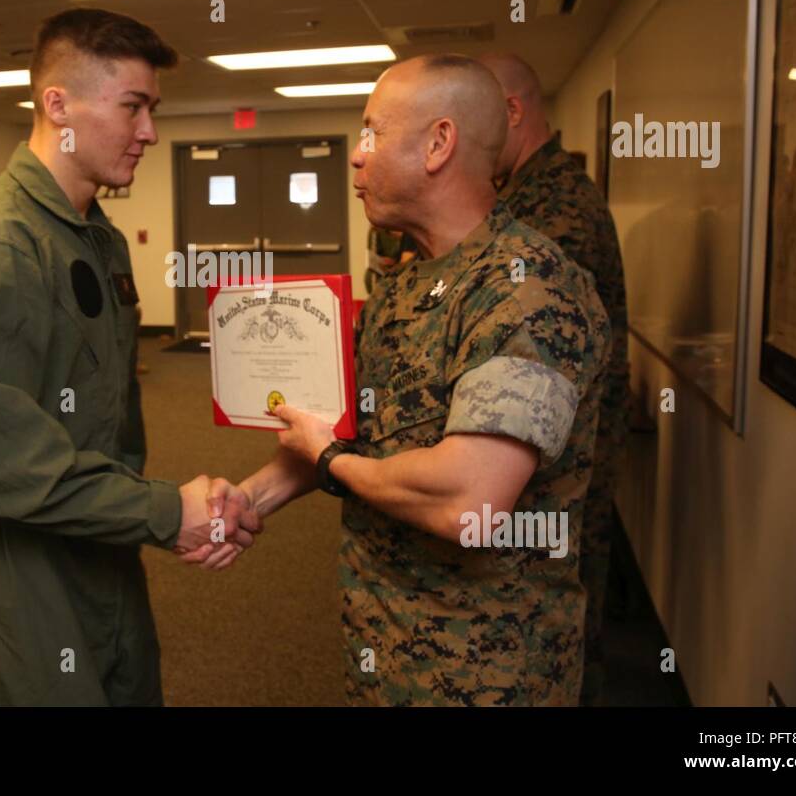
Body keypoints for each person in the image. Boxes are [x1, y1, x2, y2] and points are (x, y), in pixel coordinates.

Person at [190, 55, 610, 705]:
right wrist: (250, 501)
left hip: (487, 671)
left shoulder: (528, 289)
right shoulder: (405, 284)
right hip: (384, 647)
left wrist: (330, 461)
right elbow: (346, 437)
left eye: (371, 133)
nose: (356, 158)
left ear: (438, 144)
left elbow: (467, 499)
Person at [0, 7, 259, 706]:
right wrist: (164, 513)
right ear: (56, 105)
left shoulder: (94, 235)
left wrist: (149, 512)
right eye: (133, 107)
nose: (149, 132)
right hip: (13, 564)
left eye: (152, 108)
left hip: (95, 535)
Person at [478, 52, 630, 705]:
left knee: (560, 623)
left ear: (512, 113)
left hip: (558, 459)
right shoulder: (527, 191)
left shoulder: (554, 207)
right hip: (546, 454)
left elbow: (517, 337)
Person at [364, 226, 419, 294]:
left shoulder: (409, 233)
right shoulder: (405, 236)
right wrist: (393, 263)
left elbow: (406, 263)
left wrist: (392, 269)